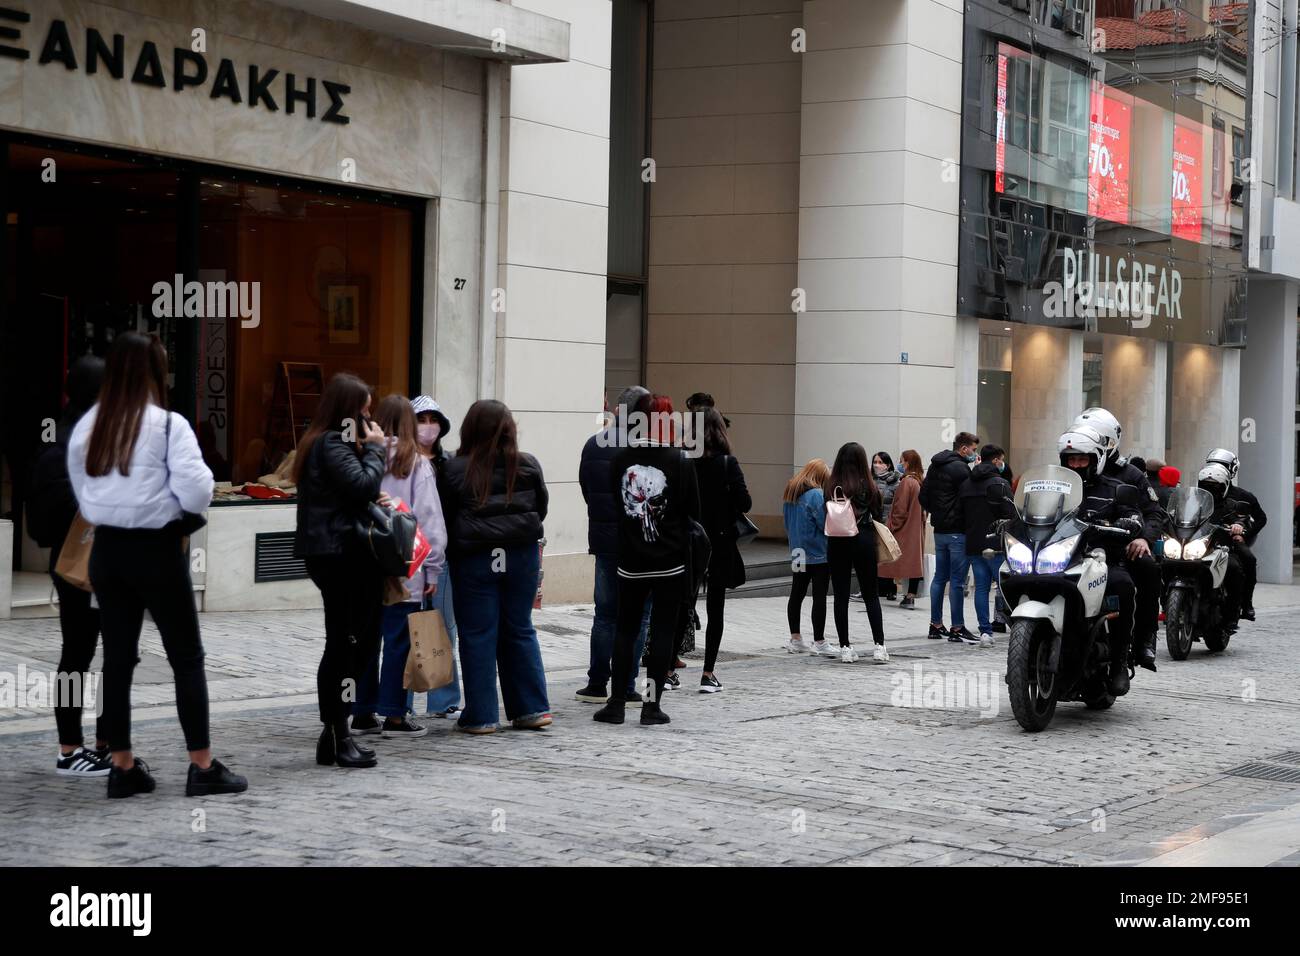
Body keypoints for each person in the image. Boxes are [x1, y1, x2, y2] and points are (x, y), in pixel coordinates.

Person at [67, 331, 246, 798]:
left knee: (119, 659)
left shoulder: (89, 427)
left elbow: (82, 492)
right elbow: (198, 488)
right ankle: (201, 765)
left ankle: (122, 766)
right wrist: (173, 511)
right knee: (186, 656)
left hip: (107, 550)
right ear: (154, 373)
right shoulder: (167, 425)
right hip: (157, 548)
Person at [439, 400, 551, 733]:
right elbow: (540, 508)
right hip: (521, 555)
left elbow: (445, 516)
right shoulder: (528, 465)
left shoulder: (456, 469)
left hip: (475, 557)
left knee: (477, 634)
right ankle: (531, 708)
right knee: (519, 628)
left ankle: (482, 715)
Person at [294, 372, 388, 769]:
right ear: (348, 411)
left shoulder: (331, 444)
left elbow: (352, 493)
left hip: (344, 554)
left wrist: (369, 491)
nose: (370, 419)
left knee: (358, 641)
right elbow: (361, 485)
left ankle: (335, 732)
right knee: (348, 643)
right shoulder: (332, 442)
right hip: (341, 557)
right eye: (365, 410)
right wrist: (377, 450)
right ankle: (338, 731)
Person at [594, 394, 700, 726]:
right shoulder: (682, 460)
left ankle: (616, 702)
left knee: (625, 630)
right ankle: (651, 706)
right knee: (662, 632)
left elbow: (615, 503)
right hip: (670, 561)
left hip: (631, 559)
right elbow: (693, 513)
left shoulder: (620, 458)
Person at [27, 356, 109, 777]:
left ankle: (77, 745)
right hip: (93, 560)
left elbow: (40, 522)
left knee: (80, 653)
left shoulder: (60, 438)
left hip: (72, 561)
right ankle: (87, 746)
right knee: (102, 652)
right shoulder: (85, 440)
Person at [350, 395, 448, 739]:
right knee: (398, 641)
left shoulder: (362, 456)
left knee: (364, 640)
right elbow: (430, 522)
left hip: (364, 562)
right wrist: (433, 569)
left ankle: (360, 712)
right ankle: (394, 713)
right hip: (407, 565)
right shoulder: (416, 463)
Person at [575, 385, 651, 704]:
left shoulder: (594, 444)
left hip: (606, 542)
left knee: (605, 614)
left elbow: (586, 488)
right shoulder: (646, 448)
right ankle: (628, 684)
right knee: (638, 617)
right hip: (641, 546)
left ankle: (596, 683)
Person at [1055, 425, 1144, 696]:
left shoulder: (1114, 488)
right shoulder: (1055, 486)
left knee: (1123, 587)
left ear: (1096, 459)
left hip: (1101, 559)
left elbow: (1133, 513)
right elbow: (1031, 509)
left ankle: (1118, 662)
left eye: (1082, 459)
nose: (1077, 464)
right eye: (1071, 460)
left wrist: (1128, 523)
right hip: (1061, 559)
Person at [1073, 408, 1163, 671]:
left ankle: (1145, 637)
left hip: (1120, 548)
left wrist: (1144, 538)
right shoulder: (1072, 468)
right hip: (1074, 549)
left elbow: (1153, 513)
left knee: (1148, 568)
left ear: (1109, 442)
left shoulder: (1131, 475)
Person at [408, 394, 462, 719]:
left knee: (442, 624)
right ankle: (398, 702)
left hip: (442, 556)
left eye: (433, 421)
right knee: (406, 627)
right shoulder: (400, 463)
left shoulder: (449, 464)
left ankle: (443, 698)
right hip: (406, 556)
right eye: (421, 420)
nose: (428, 427)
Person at [692, 407, 751, 693]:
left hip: (690, 541)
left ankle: (666, 671)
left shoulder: (685, 462)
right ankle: (707, 673)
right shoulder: (728, 463)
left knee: (680, 606)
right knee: (716, 609)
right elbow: (745, 502)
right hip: (719, 541)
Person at [825, 442, 889, 663]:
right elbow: (878, 514)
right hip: (863, 538)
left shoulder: (832, 484)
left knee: (841, 595)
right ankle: (879, 646)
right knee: (871, 593)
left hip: (837, 541)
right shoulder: (869, 486)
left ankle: (844, 647)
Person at [919, 431, 978, 642]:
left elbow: (922, 496)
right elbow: (969, 499)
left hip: (940, 530)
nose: (974, 453)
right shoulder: (962, 468)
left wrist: (938, 512)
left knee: (939, 578)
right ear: (963, 449)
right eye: (973, 449)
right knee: (957, 582)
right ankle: (957, 628)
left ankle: (935, 625)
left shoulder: (935, 465)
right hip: (957, 530)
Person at [1204, 448, 1266, 621]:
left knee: (1248, 561)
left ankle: (1246, 604)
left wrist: (1244, 534)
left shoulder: (1243, 496)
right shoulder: (1200, 491)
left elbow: (1261, 518)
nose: (1217, 468)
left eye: (1222, 465)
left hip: (1228, 541)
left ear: (1232, 470)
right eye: (1212, 464)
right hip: (1201, 541)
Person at [959, 444, 1010, 648]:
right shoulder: (1000, 483)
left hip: (973, 542)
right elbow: (1010, 514)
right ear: (997, 460)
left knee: (980, 588)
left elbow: (961, 513)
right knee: (1004, 587)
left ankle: (985, 632)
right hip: (996, 544)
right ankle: (1014, 625)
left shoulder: (966, 484)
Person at [783, 458, 831, 654]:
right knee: (819, 596)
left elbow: (786, 523)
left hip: (797, 551)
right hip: (818, 553)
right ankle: (819, 641)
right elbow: (824, 523)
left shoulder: (791, 493)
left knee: (797, 593)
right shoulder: (816, 495)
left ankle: (796, 639)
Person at [1195, 462, 1250, 631]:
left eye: (1215, 486)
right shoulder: (1194, 502)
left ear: (1224, 487)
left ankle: (1231, 615)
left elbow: (1242, 517)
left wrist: (1238, 525)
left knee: (1234, 568)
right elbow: (1178, 515)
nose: (1210, 489)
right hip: (1195, 547)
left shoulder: (1231, 505)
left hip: (1220, 548)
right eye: (1206, 485)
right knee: (1165, 563)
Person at [879, 449, 926, 610]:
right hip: (915, 528)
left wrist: (890, 527)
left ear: (907, 462)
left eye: (901, 460)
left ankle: (881, 591)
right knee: (914, 563)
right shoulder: (919, 481)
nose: (899, 464)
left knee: (886, 560)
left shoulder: (907, 482)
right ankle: (910, 596)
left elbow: (900, 509)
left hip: (904, 529)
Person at [872, 452, 902, 599]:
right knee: (873, 557)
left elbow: (898, 503)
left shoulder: (896, 481)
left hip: (887, 523)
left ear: (888, 464)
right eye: (875, 462)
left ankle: (891, 589)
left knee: (887, 556)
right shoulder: (871, 480)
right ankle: (876, 588)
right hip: (872, 522)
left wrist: (892, 522)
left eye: (880, 462)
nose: (877, 465)